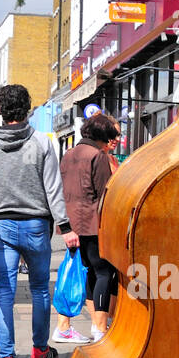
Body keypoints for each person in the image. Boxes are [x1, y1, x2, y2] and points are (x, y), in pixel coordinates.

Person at [0, 84, 78, 358]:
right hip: (36, 225)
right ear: (27, 108)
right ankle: (39, 351)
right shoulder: (42, 143)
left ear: (0, 110)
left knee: (4, 293)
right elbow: (53, 188)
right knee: (40, 290)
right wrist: (65, 225)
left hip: (3, 225)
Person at [55, 113, 120, 345]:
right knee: (102, 272)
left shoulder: (69, 154)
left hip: (72, 224)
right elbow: (105, 193)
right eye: (109, 138)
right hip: (93, 223)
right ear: (102, 136)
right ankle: (100, 328)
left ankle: (95, 325)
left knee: (89, 271)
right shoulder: (97, 156)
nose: (109, 143)